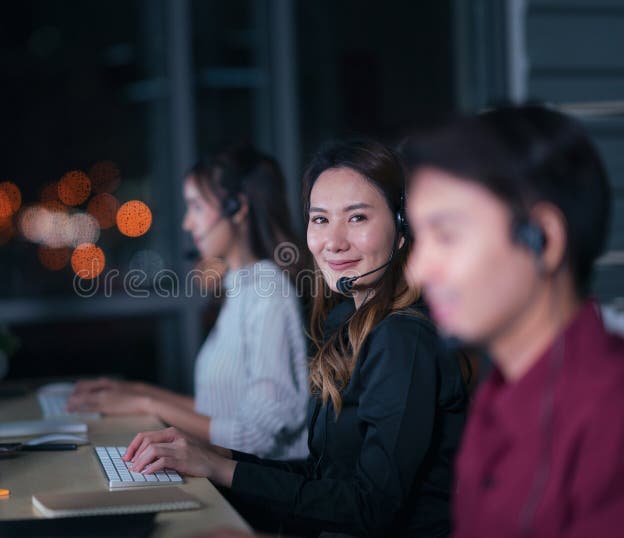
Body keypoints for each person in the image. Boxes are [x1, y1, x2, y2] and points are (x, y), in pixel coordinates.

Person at [121, 139, 469, 537]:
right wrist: (209, 455)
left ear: (403, 227)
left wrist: (221, 468)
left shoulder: (403, 340)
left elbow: (371, 507)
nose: (333, 241)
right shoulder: (349, 325)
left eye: (357, 218)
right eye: (320, 219)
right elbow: (321, 475)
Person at [403, 105, 624, 537]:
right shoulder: (500, 391)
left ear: (542, 238)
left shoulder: (611, 417)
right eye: (418, 238)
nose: (416, 271)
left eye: (445, 236)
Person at [68, 144, 310, 459]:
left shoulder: (269, 293)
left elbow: (258, 435)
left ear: (237, 207)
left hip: (256, 492)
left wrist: (146, 404)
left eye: (196, 207)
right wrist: (135, 392)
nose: (187, 223)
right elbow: (221, 411)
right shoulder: (243, 286)